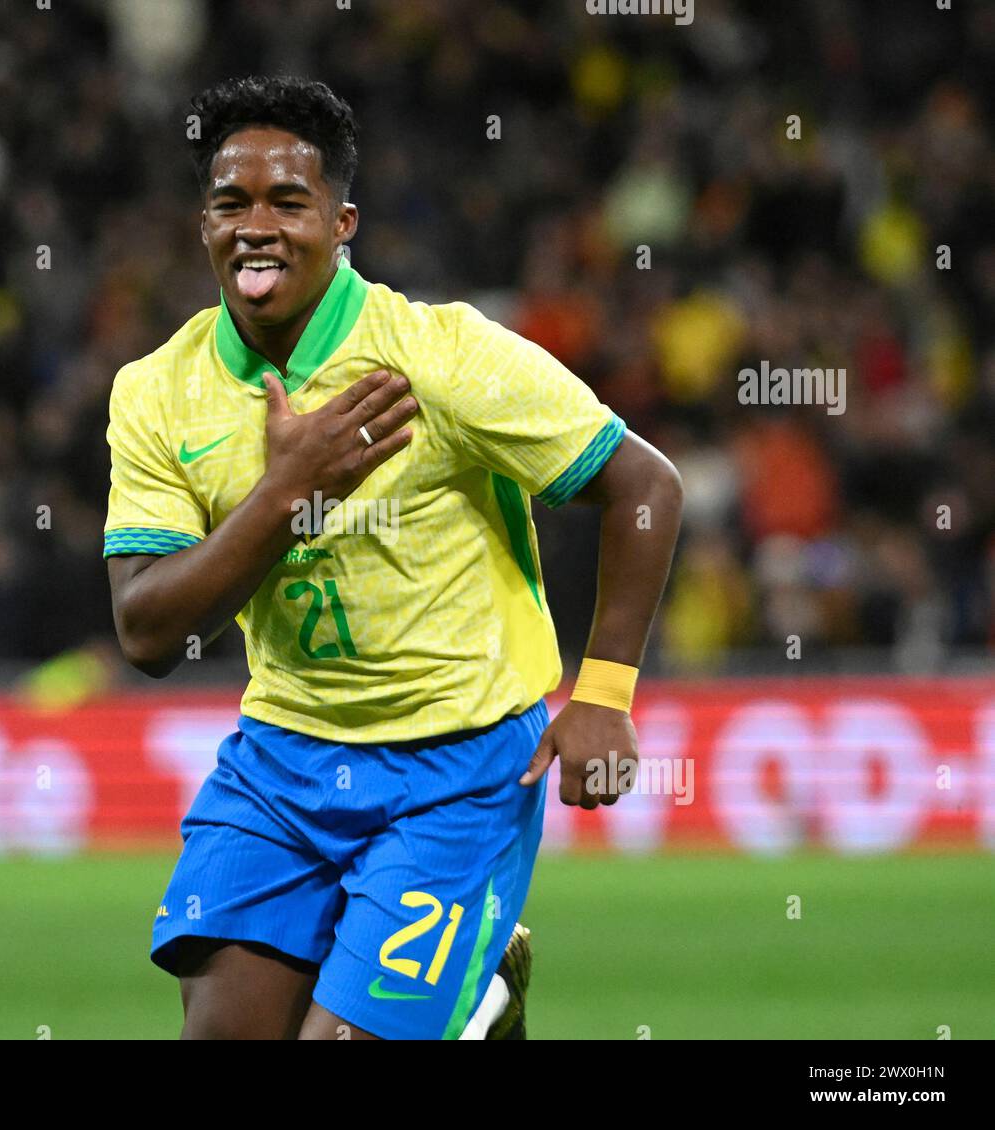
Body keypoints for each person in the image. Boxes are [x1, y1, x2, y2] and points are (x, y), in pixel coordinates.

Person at [105, 75, 683, 1040]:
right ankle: (479, 1004)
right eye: (230, 203)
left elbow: (645, 486)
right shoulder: (156, 393)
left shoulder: (441, 355)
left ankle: (478, 995)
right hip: (284, 758)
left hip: (454, 768)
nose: (257, 226)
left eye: (289, 203)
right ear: (201, 223)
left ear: (342, 223)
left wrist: (606, 696)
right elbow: (150, 629)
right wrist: (289, 495)